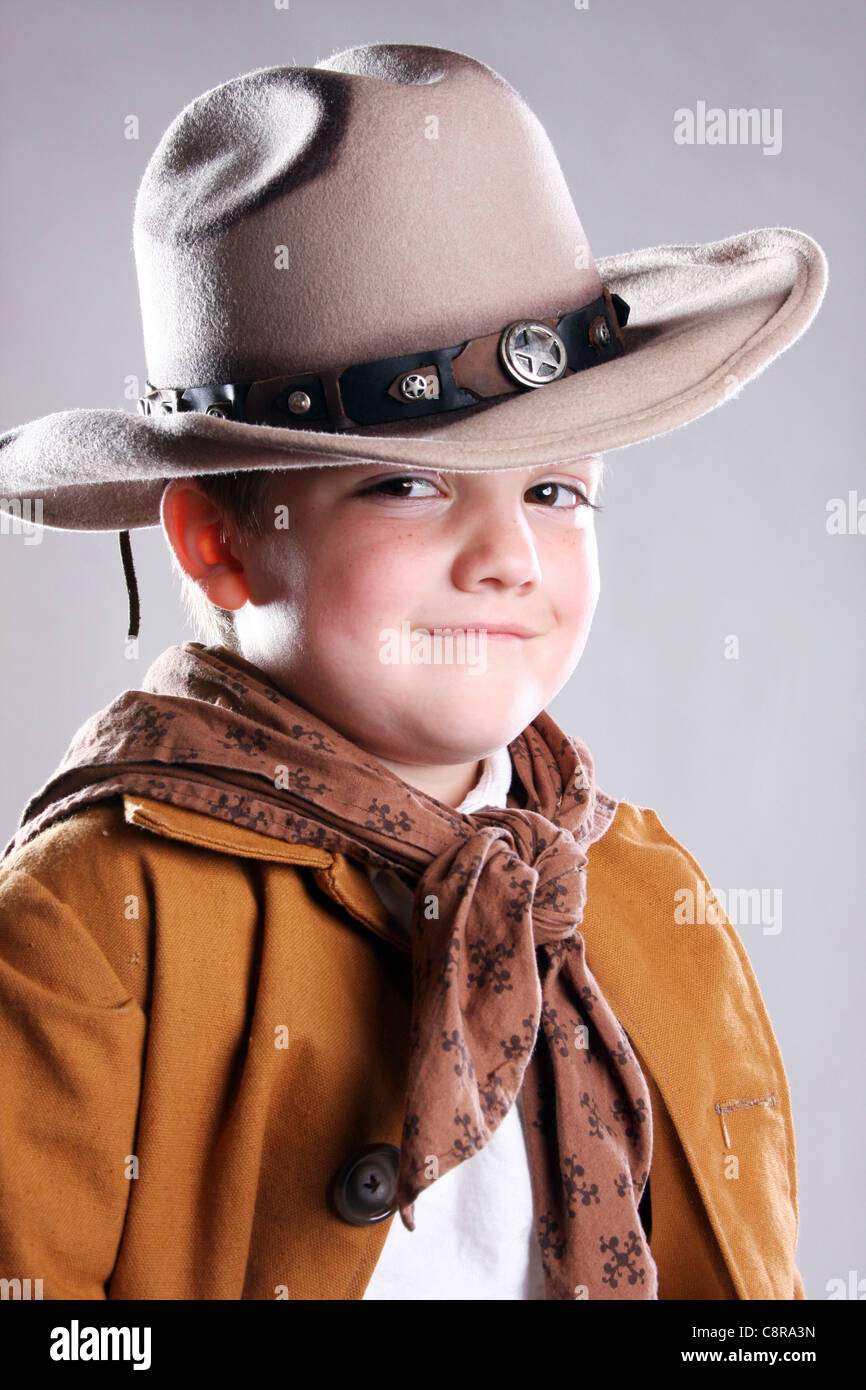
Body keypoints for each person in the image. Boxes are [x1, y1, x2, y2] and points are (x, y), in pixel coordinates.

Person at [0, 42, 826, 1300]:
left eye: (555, 490)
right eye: (407, 484)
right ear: (222, 542)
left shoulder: (649, 897)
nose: (506, 557)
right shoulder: (93, 925)